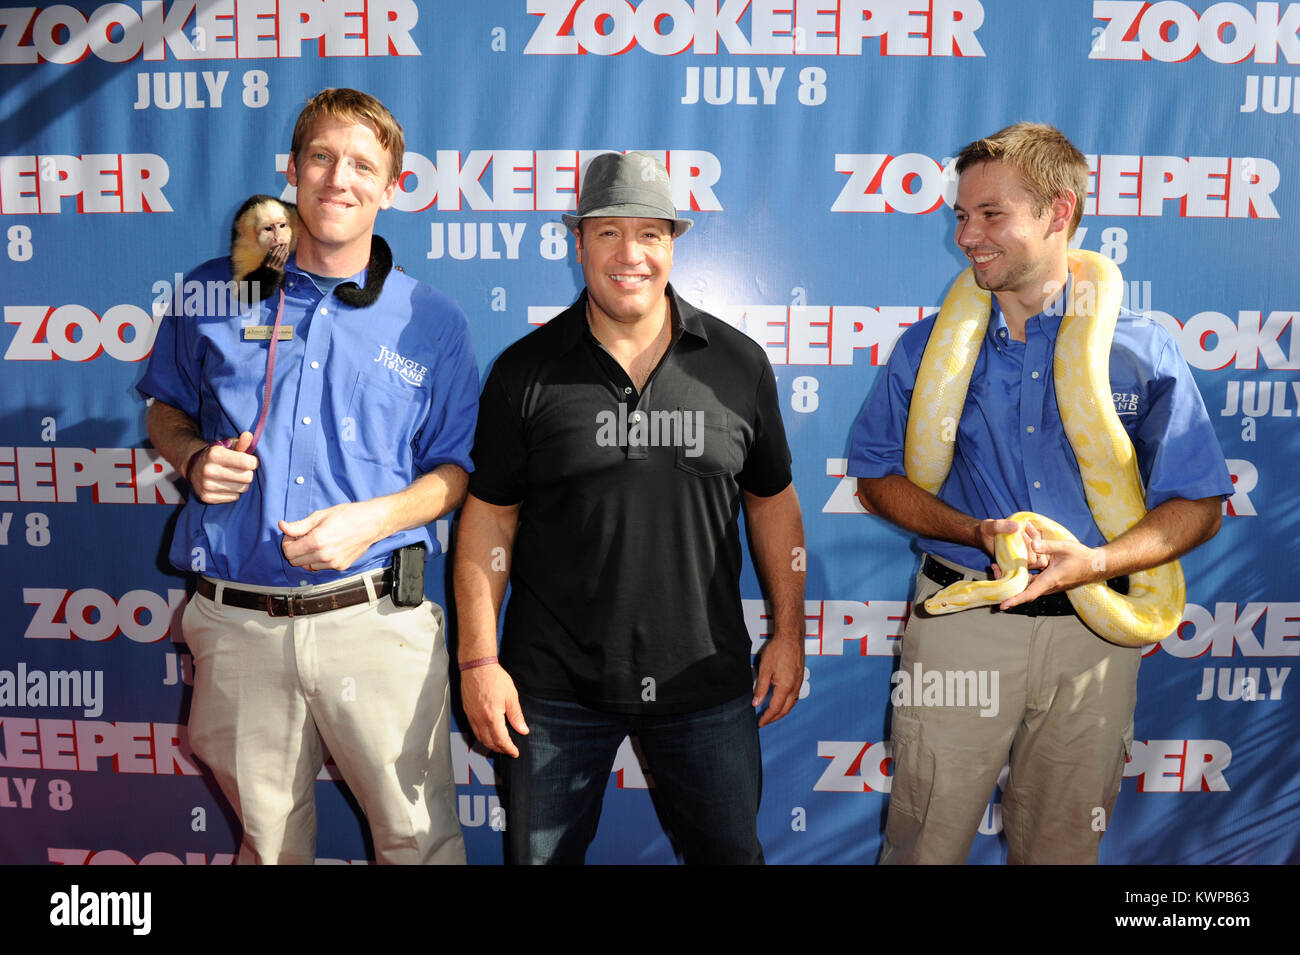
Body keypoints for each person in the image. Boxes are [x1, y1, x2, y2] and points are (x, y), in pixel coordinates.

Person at [848, 122, 1233, 864]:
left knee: (1061, 848)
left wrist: (1095, 563)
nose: (968, 235)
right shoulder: (926, 347)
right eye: (962, 215)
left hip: (1094, 634)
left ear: (1059, 213)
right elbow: (877, 480)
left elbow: (1199, 502)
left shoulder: (1139, 348)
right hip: (965, 617)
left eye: (992, 215)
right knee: (924, 842)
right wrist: (979, 533)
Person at [138, 88, 477, 865]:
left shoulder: (434, 320)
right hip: (238, 626)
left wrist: (376, 518)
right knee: (269, 848)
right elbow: (163, 409)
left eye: (364, 164)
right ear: (291, 170)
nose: (339, 178)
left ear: (392, 187)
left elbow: (455, 471)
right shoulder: (210, 289)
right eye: (322, 157)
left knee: (419, 845)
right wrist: (191, 456)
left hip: (374, 622)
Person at [454, 151, 805, 864]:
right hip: (551, 690)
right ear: (577, 241)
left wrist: (789, 633)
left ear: (673, 244)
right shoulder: (524, 371)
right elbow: (489, 518)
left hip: (704, 680)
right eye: (609, 233)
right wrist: (477, 658)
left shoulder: (738, 364)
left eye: (650, 234)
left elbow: (773, 504)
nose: (630, 254)